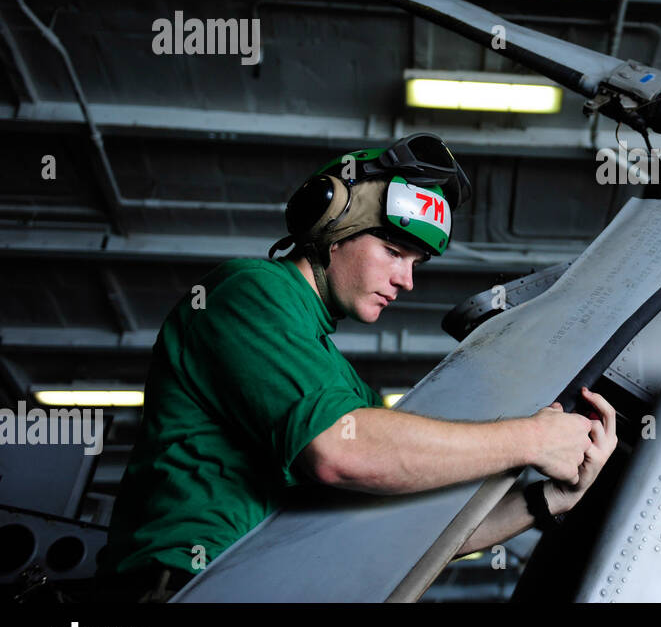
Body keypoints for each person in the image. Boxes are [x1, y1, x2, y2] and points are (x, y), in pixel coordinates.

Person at [95, 133, 616, 602]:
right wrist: (530, 440)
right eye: (393, 251)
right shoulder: (249, 292)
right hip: (181, 589)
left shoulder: (345, 387)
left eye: (415, 263)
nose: (406, 280)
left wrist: (548, 500)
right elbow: (338, 453)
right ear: (332, 230)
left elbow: (402, 532)